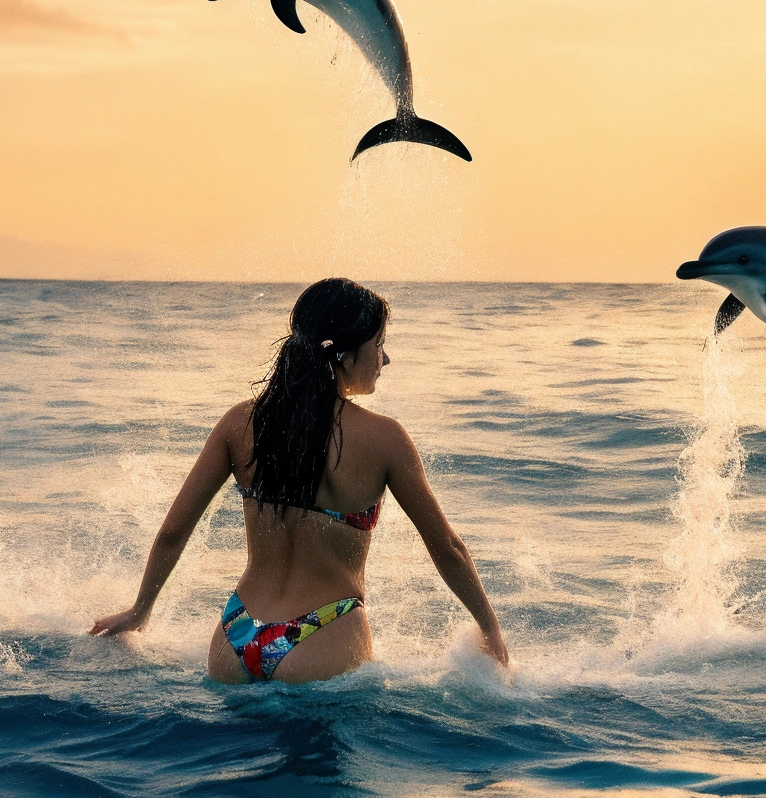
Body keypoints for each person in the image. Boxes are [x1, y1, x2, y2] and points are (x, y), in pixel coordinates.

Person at [90, 277, 509, 685]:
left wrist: (140, 610)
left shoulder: (240, 422)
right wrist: (490, 629)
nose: (385, 360)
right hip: (324, 635)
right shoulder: (385, 438)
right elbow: (447, 548)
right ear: (345, 355)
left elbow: (172, 532)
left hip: (234, 636)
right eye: (379, 345)